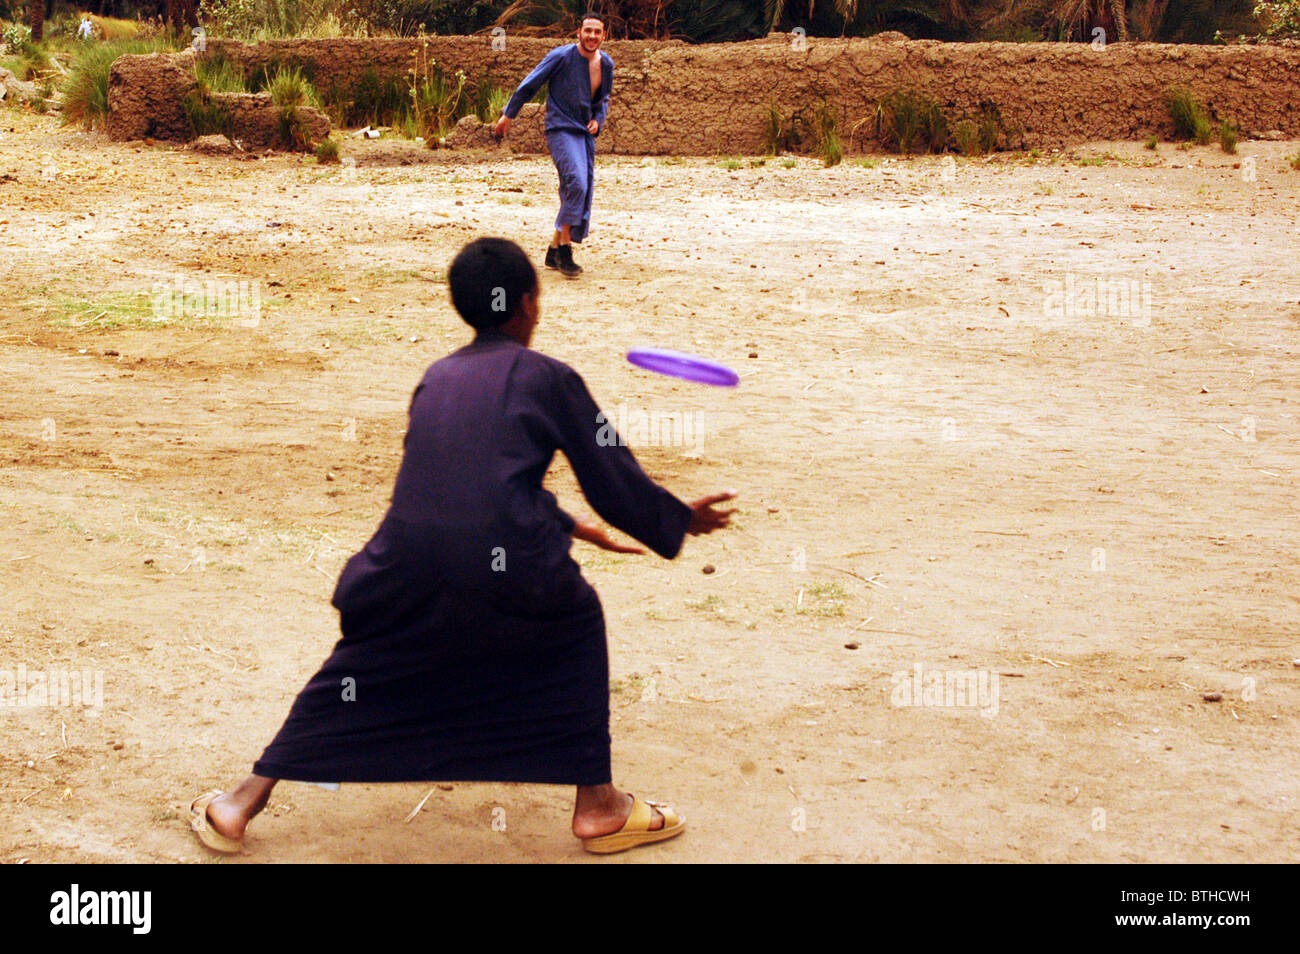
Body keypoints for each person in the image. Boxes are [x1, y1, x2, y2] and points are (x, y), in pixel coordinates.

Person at [189, 237, 737, 857]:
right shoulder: (550, 377)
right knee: (577, 624)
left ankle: (238, 805)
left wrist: (562, 523)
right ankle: (599, 807)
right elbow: (610, 478)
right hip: (508, 564)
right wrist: (674, 520)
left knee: (363, 663)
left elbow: (457, 482)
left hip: (400, 563)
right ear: (529, 303)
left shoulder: (437, 377)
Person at [493, 13, 612, 278]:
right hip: (560, 129)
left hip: (584, 133)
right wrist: (508, 115)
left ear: (604, 35)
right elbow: (530, 84)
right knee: (576, 183)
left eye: (597, 32)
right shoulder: (560, 57)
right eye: (588, 30)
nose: (592, 36)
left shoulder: (607, 65)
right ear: (578, 32)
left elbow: (603, 99)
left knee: (578, 187)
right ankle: (565, 252)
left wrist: (598, 120)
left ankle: (554, 248)